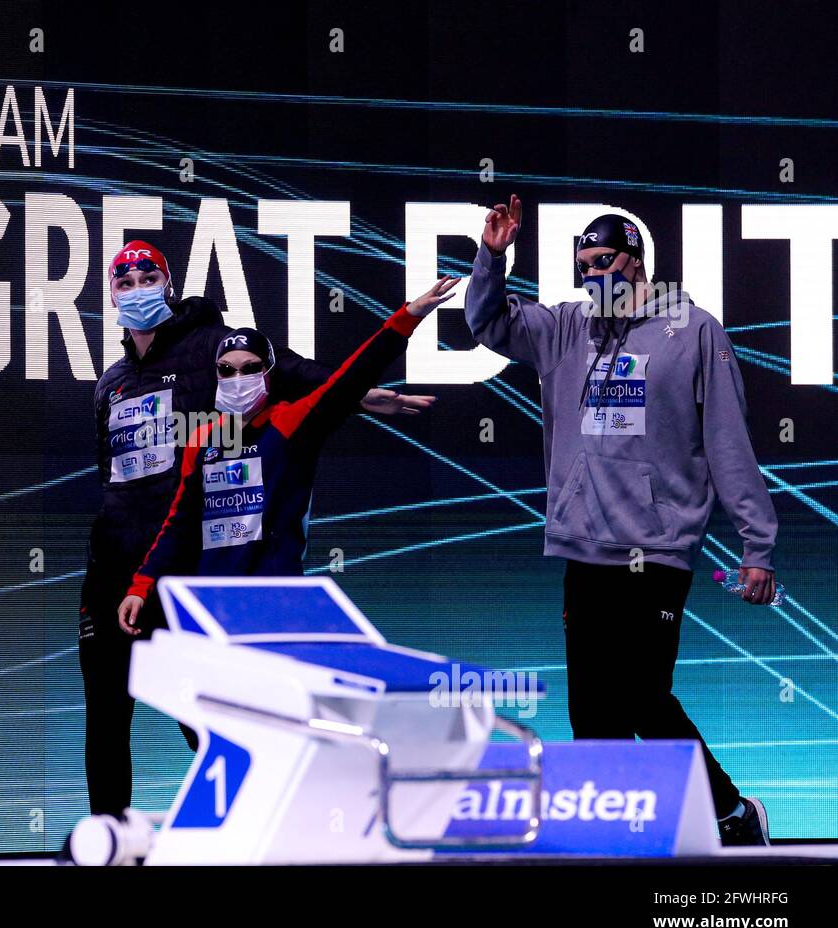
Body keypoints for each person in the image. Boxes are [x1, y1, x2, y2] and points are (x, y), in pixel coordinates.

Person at [82, 240, 436, 817]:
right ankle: (109, 839)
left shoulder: (209, 349)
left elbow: (305, 379)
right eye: (124, 281)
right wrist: (131, 575)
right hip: (118, 568)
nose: (136, 287)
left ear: (168, 284)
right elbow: (117, 479)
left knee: (210, 714)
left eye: (149, 275)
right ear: (111, 295)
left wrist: (363, 396)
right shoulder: (113, 383)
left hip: (192, 573)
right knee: (105, 710)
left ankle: (260, 827)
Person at [464, 194, 778, 846]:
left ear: (637, 263)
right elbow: (486, 324)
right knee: (592, 711)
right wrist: (493, 256)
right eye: (583, 265)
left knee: (641, 696)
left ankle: (730, 812)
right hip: (585, 548)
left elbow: (727, 443)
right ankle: (609, 842)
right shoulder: (567, 328)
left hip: (656, 550)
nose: (591, 276)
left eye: (603, 261)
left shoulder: (691, 330)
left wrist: (758, 545)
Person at [118, 278, 459, 633]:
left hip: (277, 599)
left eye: (250, 368)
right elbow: (179, 524)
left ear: (268, 374)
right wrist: (141, 586)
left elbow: (350, 379)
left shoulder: (291, 423)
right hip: (212, 603)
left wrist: (406, 318)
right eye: (227, 370)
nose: (238, 377)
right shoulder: (203, 438)